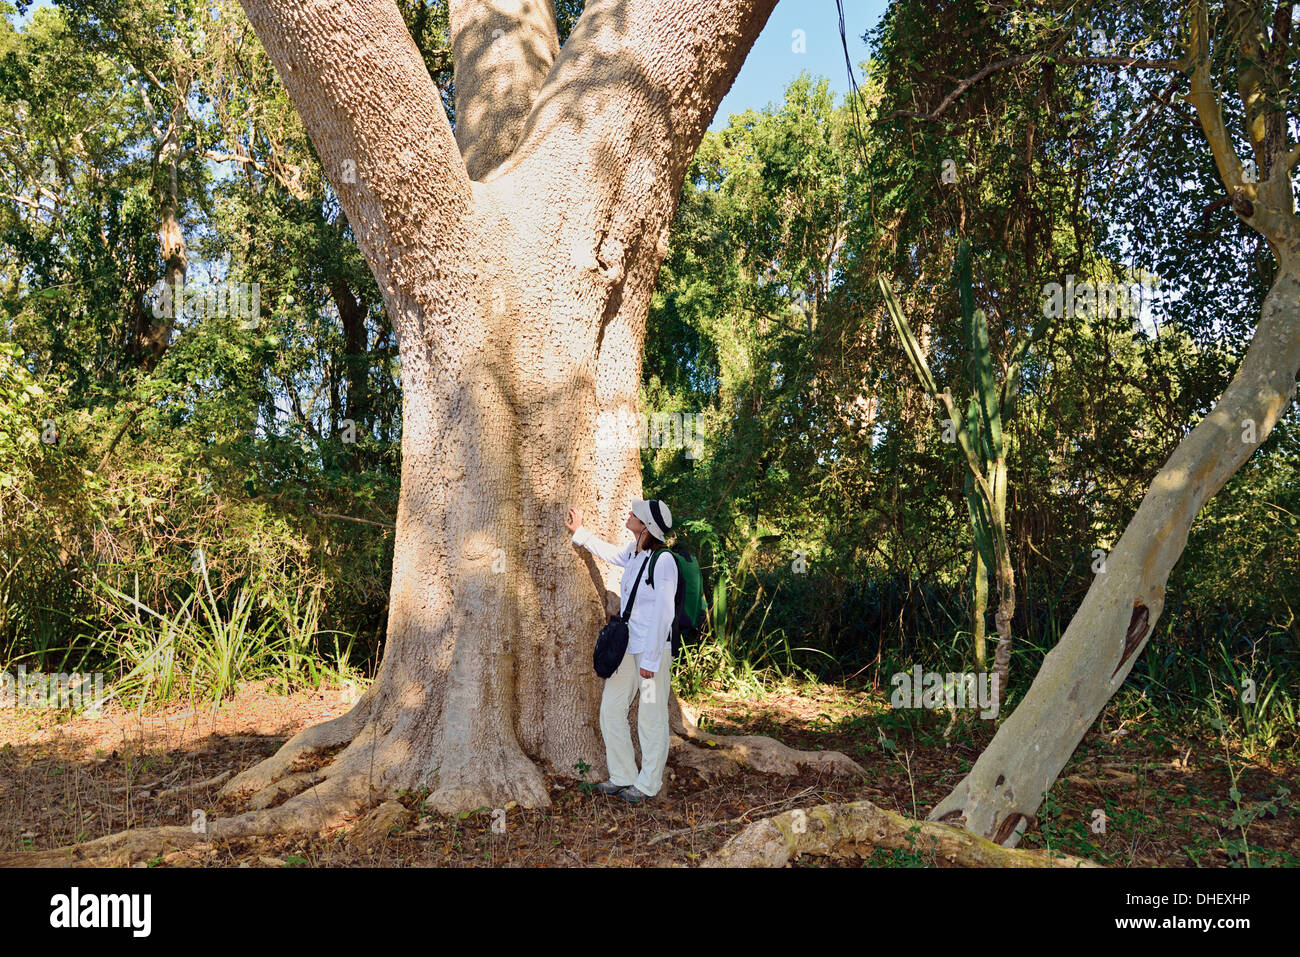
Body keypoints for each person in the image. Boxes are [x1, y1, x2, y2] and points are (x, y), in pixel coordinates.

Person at [565, 499, 677, 803]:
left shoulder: (663, 561)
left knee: (651, 717)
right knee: (612, 709)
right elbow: (611, 553)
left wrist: (652, 661)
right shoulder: (634, 552)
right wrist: (581, 533)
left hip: (652, 654)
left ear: (647, 526)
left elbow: (664, 614)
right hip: (627, 650)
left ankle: (648, 784)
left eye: (635, 515)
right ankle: (623, 775)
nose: (629, 515)